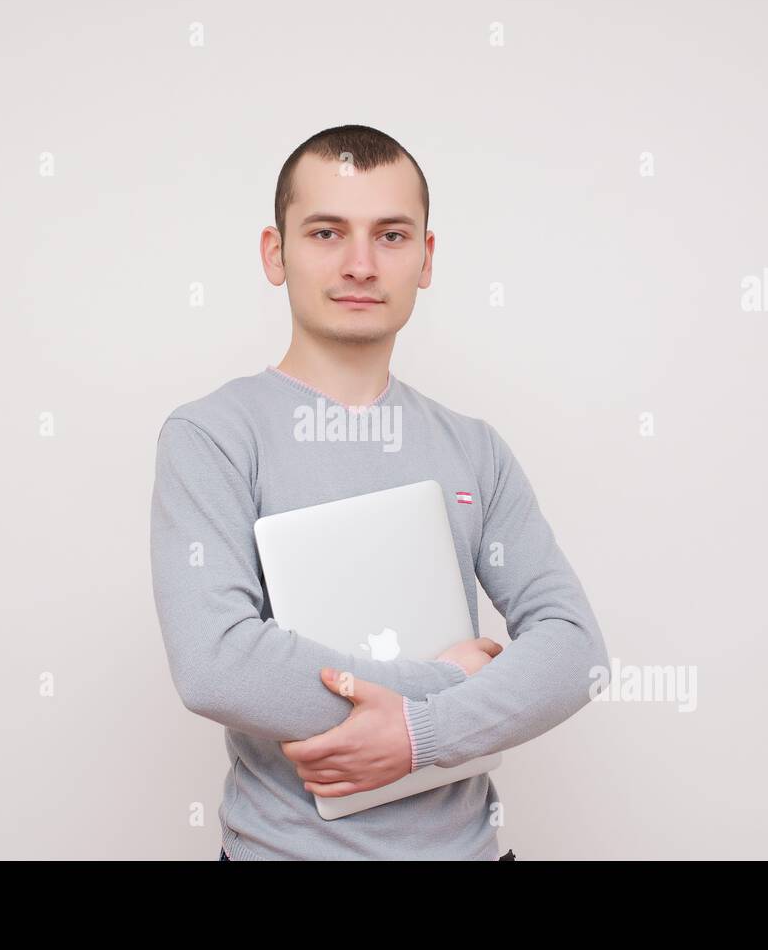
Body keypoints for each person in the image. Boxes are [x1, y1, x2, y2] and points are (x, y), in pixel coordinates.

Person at [151, 124, 608, 860]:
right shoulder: (211, 436)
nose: (360, 264)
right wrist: (444, 680)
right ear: (277, 253)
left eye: (391, 236)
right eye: (327, 232)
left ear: (426, 259)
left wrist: (418, 733)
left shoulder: (474, 447)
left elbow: (574, 648)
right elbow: (216, 662)